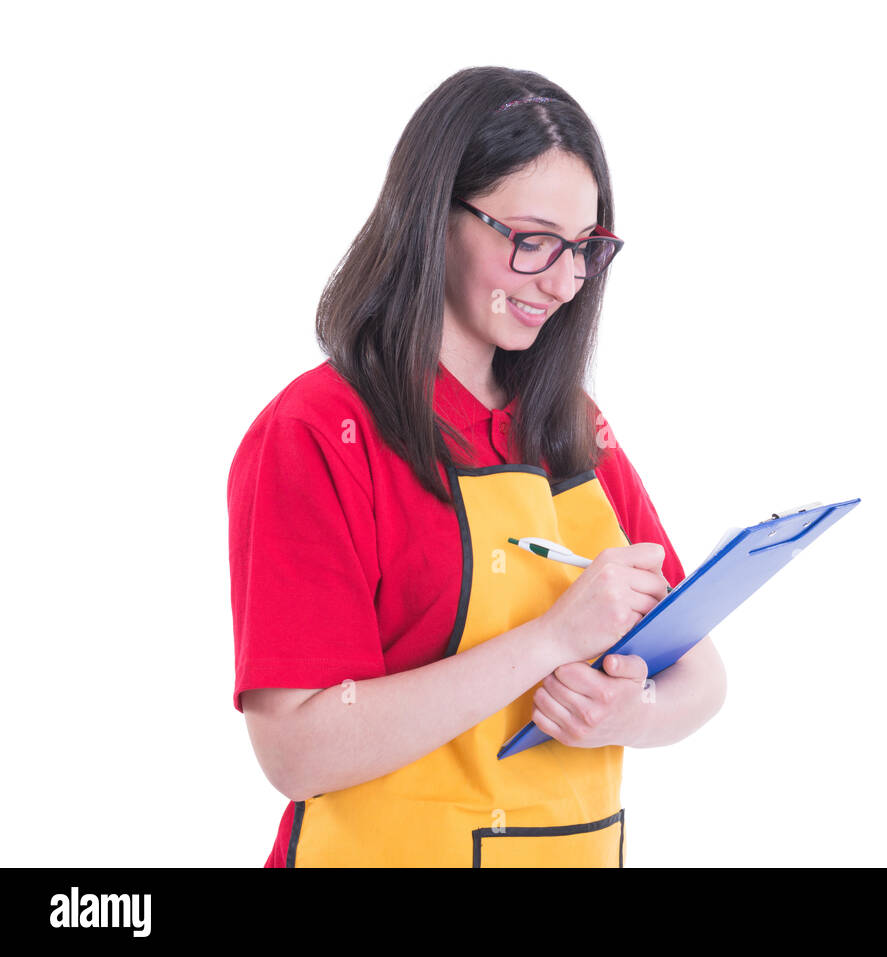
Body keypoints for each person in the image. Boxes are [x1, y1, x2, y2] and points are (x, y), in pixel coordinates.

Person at [226, 67, 726, 867]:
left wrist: (626, 712)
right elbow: (296, 748)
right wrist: (547, 644)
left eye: (584, 249)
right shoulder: (319, 431)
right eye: (532, 241)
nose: (565, 282)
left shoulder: (572, 427)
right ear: (435, 217)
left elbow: (701, 675)